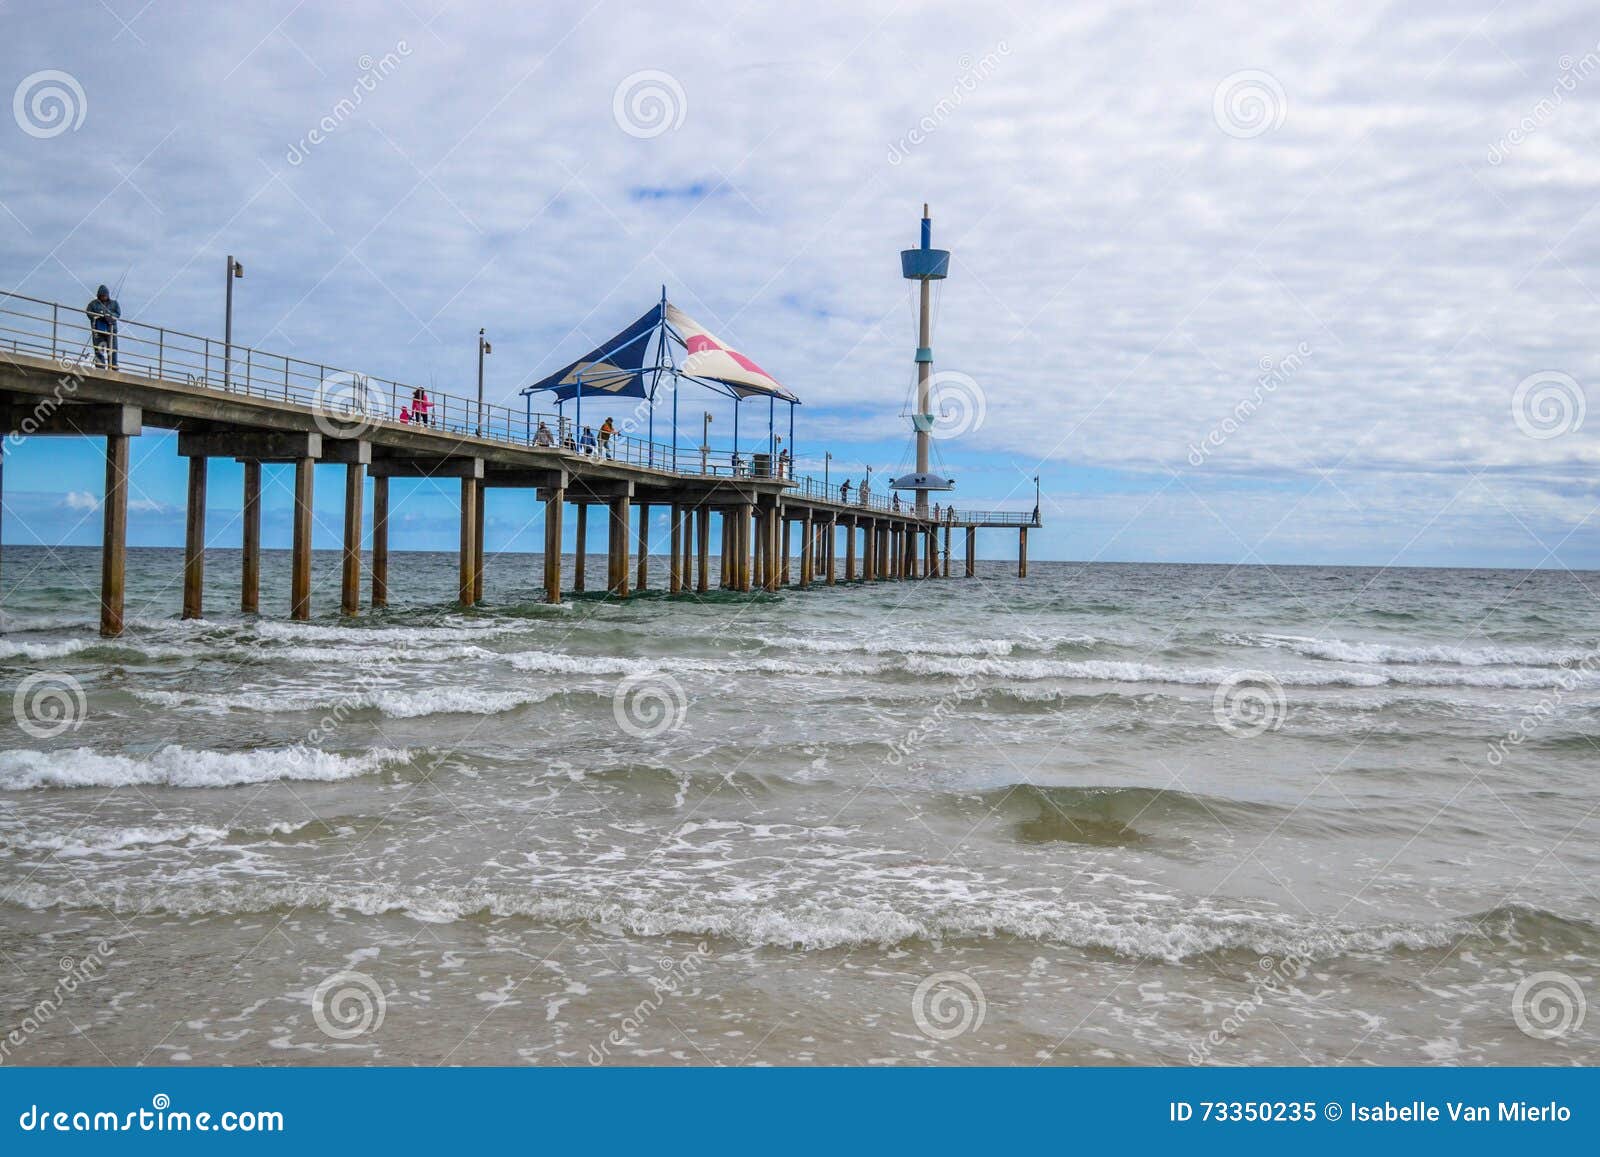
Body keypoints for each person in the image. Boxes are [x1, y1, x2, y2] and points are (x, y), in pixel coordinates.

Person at [85, 285, 120, 369]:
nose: (104, 297)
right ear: (99, 295)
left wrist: (110, 316)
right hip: (98, 330)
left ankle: (113, 366)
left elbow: (117, 314)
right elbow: (88, 312)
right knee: (99, 349)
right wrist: (99, 316)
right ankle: (100, 366)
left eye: (105, 295)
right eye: (102, 295)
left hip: (111, 330)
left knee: (113, 348)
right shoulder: (93, 304)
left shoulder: (114, 303)